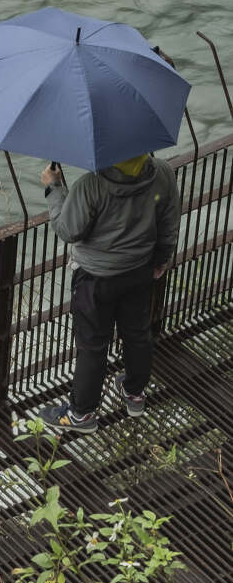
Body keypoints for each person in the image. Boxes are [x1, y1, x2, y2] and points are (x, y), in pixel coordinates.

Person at [37, 143, 179, 433]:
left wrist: (55, 189)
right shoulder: (162, 173)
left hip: (95, 278)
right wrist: (162, 258)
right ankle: (134, 393)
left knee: (92, 345)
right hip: (140, 270)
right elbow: (169, 222)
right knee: (138, 333)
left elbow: (68, 230)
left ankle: (83, 414)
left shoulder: (91, 185)